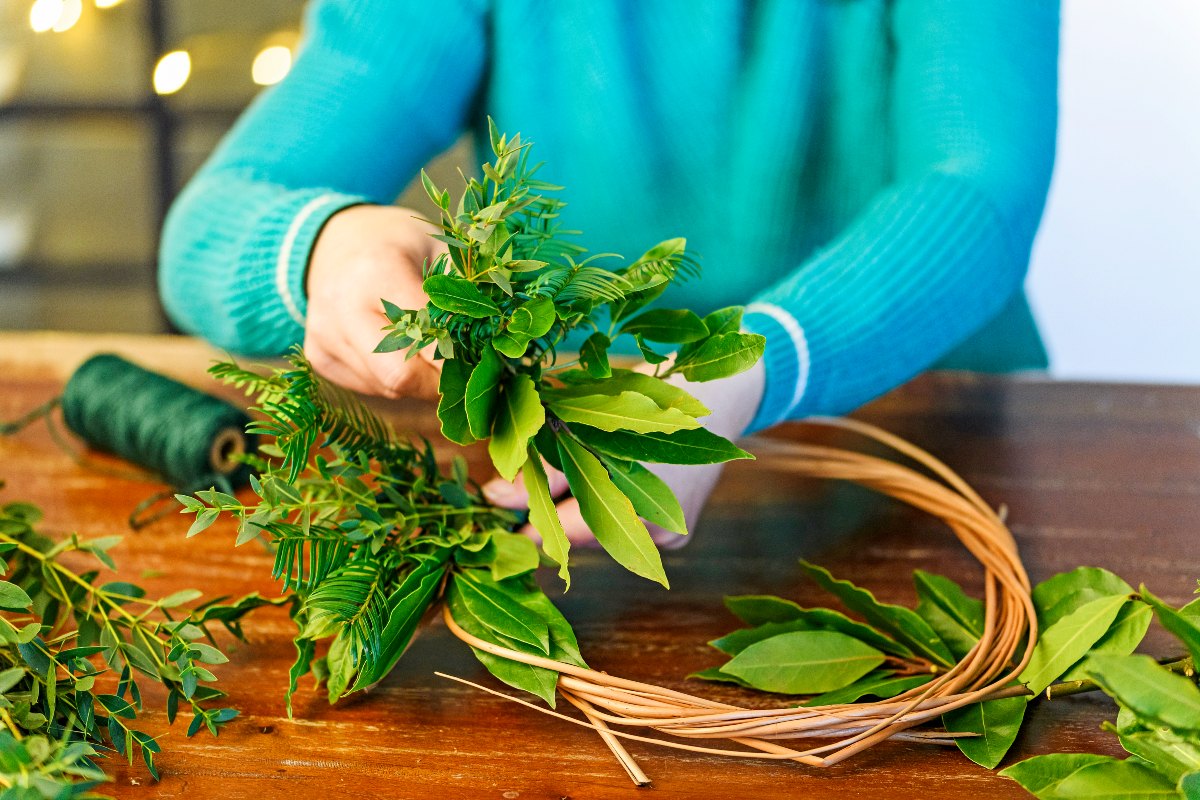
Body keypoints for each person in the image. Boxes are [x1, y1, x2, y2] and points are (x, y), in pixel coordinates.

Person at [158, 0, 1058, 546]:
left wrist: (745, 365)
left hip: (930, 444)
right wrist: (325, 245)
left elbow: (979, 187)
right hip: (570, 455)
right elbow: (208, 228)